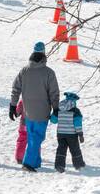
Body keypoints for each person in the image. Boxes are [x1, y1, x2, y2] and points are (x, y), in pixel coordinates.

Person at [9, 42, 61, 171]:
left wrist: (13, 105)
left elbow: (15, 89)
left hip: (27, 113)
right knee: (37, 137)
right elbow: (54, 93)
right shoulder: (49, 73)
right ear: (44, 54)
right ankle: (29, 163)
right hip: (42, 112)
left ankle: (36, 162)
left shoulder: (24, 70)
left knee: (32, 136)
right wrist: (56, 108)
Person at [51, 90, 86, 173]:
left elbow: (53, 120)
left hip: (61, 134)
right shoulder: (75, 111)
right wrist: (80, 134)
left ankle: (59, 166)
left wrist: (54, 114)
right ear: (74, 100)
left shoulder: (59, 109)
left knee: (61, 149)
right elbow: (77, 124)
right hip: (72, 135)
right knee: (75, 149)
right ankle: (79, 165)